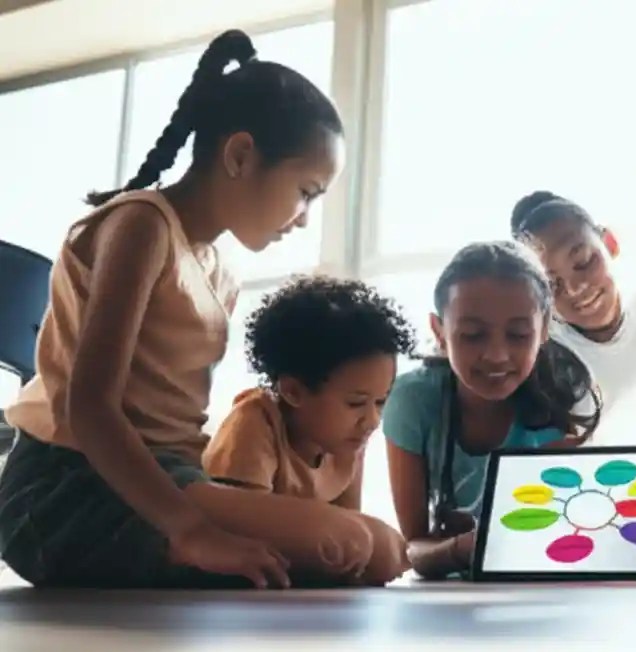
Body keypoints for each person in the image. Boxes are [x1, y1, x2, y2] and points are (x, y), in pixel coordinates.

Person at [0, 29, 346, 588]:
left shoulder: (221, 269)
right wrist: (193, 531)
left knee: (367, 549)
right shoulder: (142, 225)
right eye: (306, 191)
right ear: (240, 156)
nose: (305, 217)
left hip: (161, 478)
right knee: (345, 548)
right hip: (66, 484)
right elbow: (90, 408)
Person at [383, 240, 601, 579]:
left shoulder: (563, 398)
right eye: (472, 335)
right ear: (439, 332)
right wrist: (463, 549)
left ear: (544, 329)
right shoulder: (412, 400)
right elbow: (412, 548)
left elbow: (563, 540)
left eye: (518, 335)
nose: (497, 355)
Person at [202, 277, 416, 585]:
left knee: (385, 550)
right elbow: (239, 526)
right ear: (293, 391)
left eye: (381, 402)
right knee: (370, 543)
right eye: (356, 403)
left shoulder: (348, 441)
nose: (371, 420)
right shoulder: (255, 421)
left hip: (300, 553)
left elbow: (349, 522)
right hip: (238, 549)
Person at [510, 191, 636, 445]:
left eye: (583, 262)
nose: (574, 289)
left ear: (610, 243)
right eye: (551, 284)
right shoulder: (547, 363)